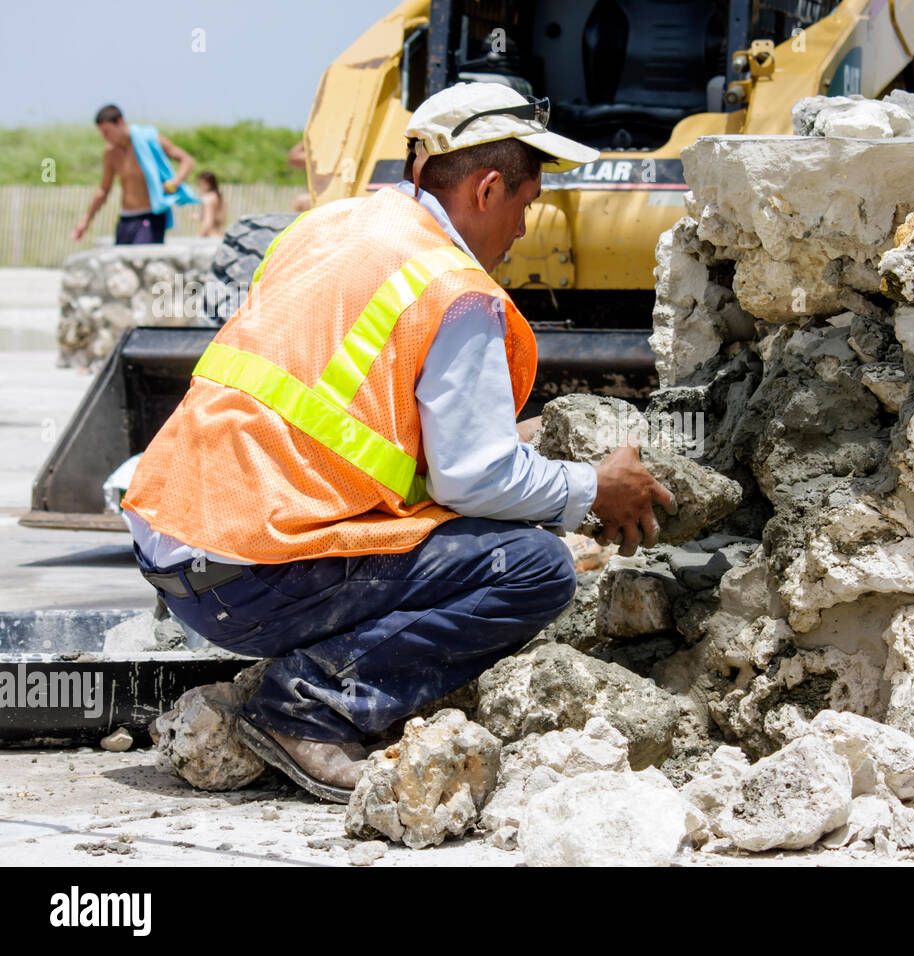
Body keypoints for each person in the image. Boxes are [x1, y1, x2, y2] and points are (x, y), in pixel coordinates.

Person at [120, 83, 672, 802]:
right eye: (526, 203)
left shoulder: (334, 228)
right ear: (489, 186)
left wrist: (529, 444)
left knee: (472, 527)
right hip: (247, 576)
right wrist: (594, 488)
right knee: (532, 567)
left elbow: (348, 422)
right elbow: (472, 483)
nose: (525, 227)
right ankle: (308, 705)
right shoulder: (454, 288)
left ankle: (313, 679)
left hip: (178, 550)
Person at [71, 105, 198, 245]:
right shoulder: (111, 153)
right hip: (126, 218)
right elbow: (103, 190)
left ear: (119, 122)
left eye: (107, 131)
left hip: (151, 216)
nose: (105, 137)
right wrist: (85, 222)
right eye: (102, 133)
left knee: (141, 262)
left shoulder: (150, 140)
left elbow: (187, 160)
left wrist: (173, 184)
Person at [193, 170, 226, 237]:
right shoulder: (220, 198)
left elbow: (208, 222)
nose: (200, 187)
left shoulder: (208, 199)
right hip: (219, 235)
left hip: (209, 236)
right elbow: (216, 216)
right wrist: (200, 216)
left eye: (200, 184)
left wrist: (198, 236)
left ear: (208, 184)